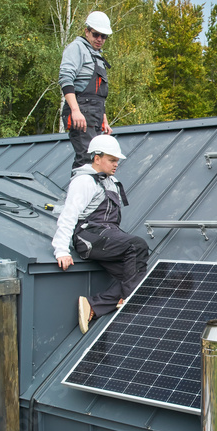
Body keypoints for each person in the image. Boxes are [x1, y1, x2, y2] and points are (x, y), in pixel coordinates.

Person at [52, 134, 149, 333]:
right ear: (97, 158)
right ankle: (131, 301)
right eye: (112, 160)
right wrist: (61, 250)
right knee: (137, 245)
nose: (116, 165)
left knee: (140, 276)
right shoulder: (85, 181)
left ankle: (93, 306)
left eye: (117, 161)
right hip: (89, 236)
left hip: (107, 236)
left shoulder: (110, 181)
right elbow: (68, 214)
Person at [59, 11, 114, 169]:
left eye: (104, 36)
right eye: (96, 34)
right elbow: (66, 79)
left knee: (98, 160)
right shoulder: (76, 48)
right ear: (87, 31)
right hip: (81, 110)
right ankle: (78, 193)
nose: (100, 39)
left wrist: (103, 118)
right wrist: (76, 111)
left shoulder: (97, 56)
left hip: (95, 114)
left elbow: (98, 94)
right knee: (86, 160)